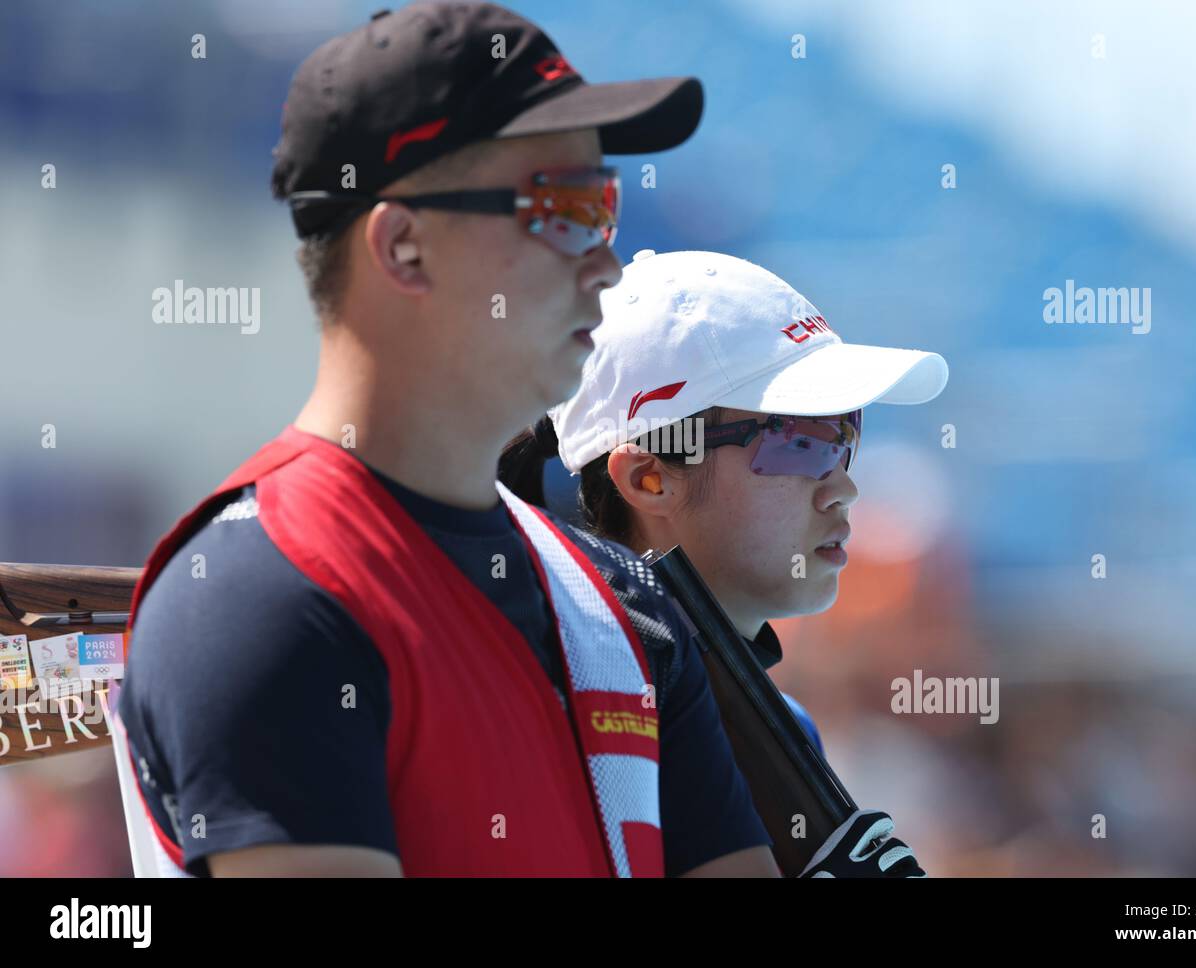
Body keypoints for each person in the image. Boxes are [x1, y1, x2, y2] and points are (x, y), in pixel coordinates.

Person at [116, 3, 785, 878]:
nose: (608, 263)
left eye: (608, 207)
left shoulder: (627, 607)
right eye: (568, 208)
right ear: (404, 247)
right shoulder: (263, 596)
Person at [499, 248, 948, 866]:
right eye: (797, 442)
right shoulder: (557, 706)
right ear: (651, 479)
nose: (843, 485)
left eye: (845, 434)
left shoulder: (787, 728)